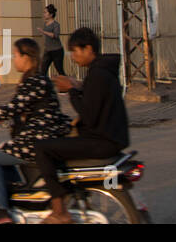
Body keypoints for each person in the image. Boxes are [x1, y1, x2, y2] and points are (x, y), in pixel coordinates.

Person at [34, 27, 130, 224]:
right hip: (112, 138)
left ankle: (59, 209)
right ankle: (72, 194)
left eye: (76, 51)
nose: (73, 57)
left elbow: (88, 114)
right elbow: (95, 100)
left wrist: (70, 90)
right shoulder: (103, 71)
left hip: (102, 141)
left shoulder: (97, 75)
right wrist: (78, 86)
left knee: (42, 148)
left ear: (88, 49)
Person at [0, 38, 71, 224]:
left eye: (15, 55)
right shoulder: (40, 79)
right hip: (45, 138)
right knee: (4, 153)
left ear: (26, 57)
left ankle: (1, 211)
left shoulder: (33, 81)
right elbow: (18, 109)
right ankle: (15, 196)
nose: (14, 60)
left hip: (35, 142)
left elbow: (12, 109)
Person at [38, 5, 64, 77]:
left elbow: (55, 35)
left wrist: (43, 32)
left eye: (45, 12)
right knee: (43, 70)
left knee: (59, 70)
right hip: (48, 50)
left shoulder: (56, 25)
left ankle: (66, 84)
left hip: (57, 50)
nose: (44, 14)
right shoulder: (45, 24)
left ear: (51, 14)